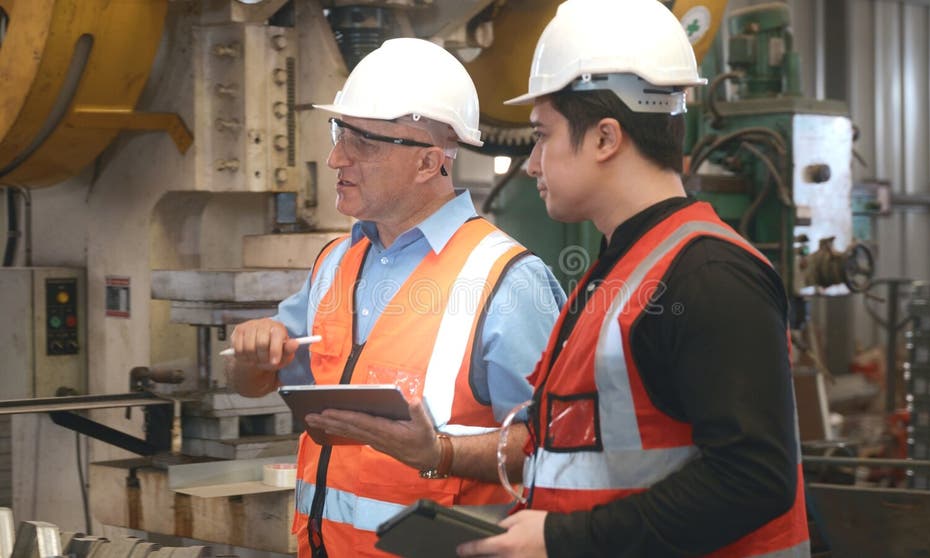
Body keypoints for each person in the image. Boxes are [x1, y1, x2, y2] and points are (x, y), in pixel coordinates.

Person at [456, 0, 811, 556]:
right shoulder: (621, 269)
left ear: (605, 138)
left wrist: (562, 539)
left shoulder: (710, 277)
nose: (531, 164)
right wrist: (435, 454)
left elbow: (754, 478)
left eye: (543, 136)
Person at [227, 37, 564, 557]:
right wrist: (252, 354)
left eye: (362, 142)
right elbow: (254, 382)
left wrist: (439, 453)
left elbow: (552, 447)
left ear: (429, 163)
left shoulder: (506, 280)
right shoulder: (338, 260)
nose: (336, 157)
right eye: (339, 132)